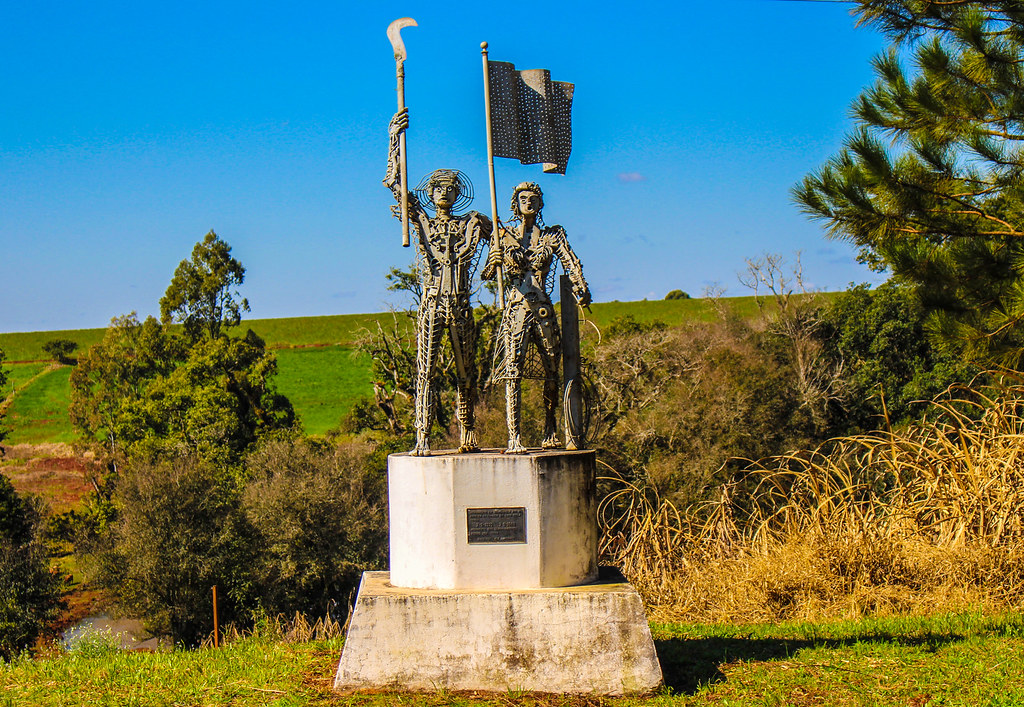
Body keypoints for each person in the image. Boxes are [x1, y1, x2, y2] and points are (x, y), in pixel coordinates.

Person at [385, 108, 492, 455]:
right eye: (437, 188)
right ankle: (422, 435)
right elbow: (394, 186)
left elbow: (499, 242)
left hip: (460, 301)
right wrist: (393, 141)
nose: (443, 193)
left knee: (466, 371)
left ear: (458, 192)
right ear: (430, 192)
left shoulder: (471, 222)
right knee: (425, 371)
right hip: (432, 302)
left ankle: (468, 431)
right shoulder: (423, 222)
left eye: (450, 188)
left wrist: (494, 258)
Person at [483, 182, 590, 453]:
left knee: (552, 371)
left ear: (541, 204)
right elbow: (485, 274)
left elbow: (570, 261)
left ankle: (550, 428)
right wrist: (494, 259)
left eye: (533, 198)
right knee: (513, 372)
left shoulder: (551, 236)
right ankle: (514, 435)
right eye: (522, 198)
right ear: (514, 203)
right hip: (517, 308)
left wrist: (581, 288)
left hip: (543, 307)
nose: (528, 202)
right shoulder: (503, 235)